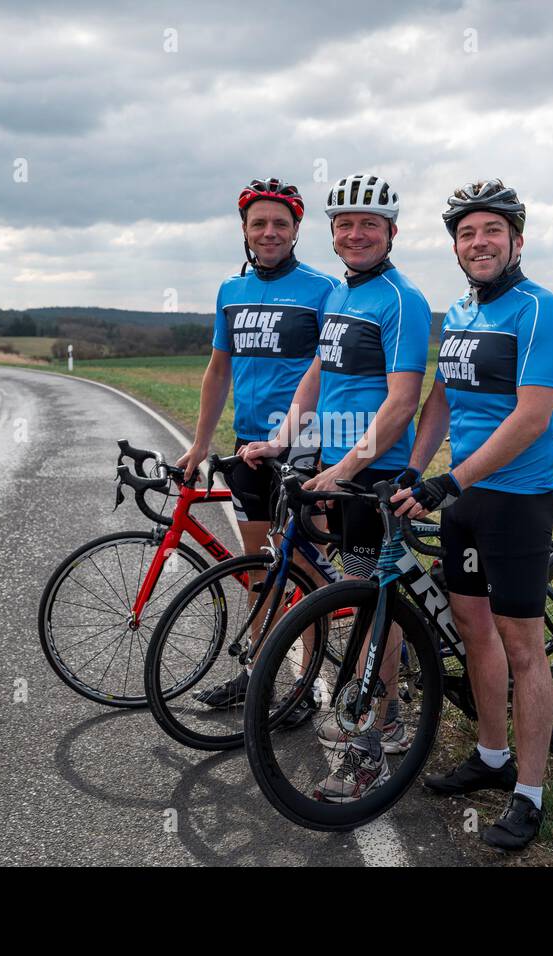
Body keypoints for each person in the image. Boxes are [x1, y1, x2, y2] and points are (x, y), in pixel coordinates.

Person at [392, 179, 553, 851]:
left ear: (517, 240)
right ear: (457, 248)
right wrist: (417, 467)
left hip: (518, 499)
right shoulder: (461, 312)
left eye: (491, 231)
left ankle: (529, 793)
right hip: (464, 498)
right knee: (473, 630)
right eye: (467, 234)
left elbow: (531, 417)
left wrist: (451, 480)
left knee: (523, 645)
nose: (479, 243)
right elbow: (440, 402)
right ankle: (491, 755)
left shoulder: (540, 312)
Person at [240, 173, 432, 801]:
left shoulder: (402, 300)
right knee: (371, 594)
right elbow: (316, 380)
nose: (355, 234)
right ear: (332, 233)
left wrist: (345, 469)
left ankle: (375, 740)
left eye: (368, 225)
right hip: (339, 465)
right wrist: (281, 438)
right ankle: (395, 711)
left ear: (391, 233)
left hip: (376, 474)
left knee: (379, 604)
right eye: (344, 225)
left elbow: (402, 403)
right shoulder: (343, 298)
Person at [175, 177, 340, 709]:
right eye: (259, 223)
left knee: (307, 566)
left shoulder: (323, 289)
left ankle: (305, 684)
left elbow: (331, 371)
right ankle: (257, 670)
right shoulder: (231, 291)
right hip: (250, 445)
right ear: (244, 230)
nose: (269, 232)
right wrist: (201, 444)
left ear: (296, 231)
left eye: (280, 224)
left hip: (304, 445)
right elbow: (218, 370)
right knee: (257, 568)